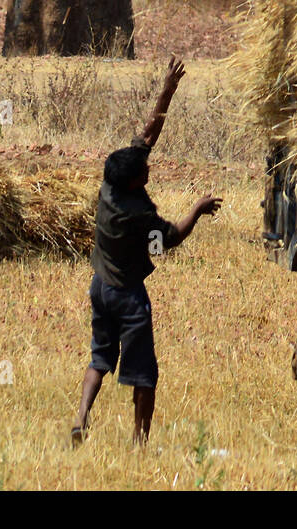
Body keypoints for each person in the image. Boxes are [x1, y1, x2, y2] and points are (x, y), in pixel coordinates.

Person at [72, 57, 221, 446]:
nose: (149, 170)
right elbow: (171, 237)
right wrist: (198, 210)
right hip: (128, 297)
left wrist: (168, 89)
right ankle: (139, 443)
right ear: (135, 182)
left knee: (99, 359)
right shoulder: (137, 214)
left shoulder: (110, 189)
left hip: (99, 286)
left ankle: (82, 417)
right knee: (144, 374)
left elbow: (148, 135)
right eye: (145, 173)